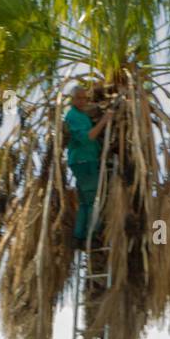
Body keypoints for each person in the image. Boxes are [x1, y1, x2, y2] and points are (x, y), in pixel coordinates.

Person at [64, 85, 113, 248]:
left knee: (85, 203)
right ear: (72, 99)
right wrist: (105, 120)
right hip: (85, 162)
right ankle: (92, 236)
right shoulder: (73, 115)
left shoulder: (80, 114)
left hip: (82, 161)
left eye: (85, 98)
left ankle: (79, 237)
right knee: (93, 201)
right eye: (80, 98)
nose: (83, 101)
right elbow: (88, 137)